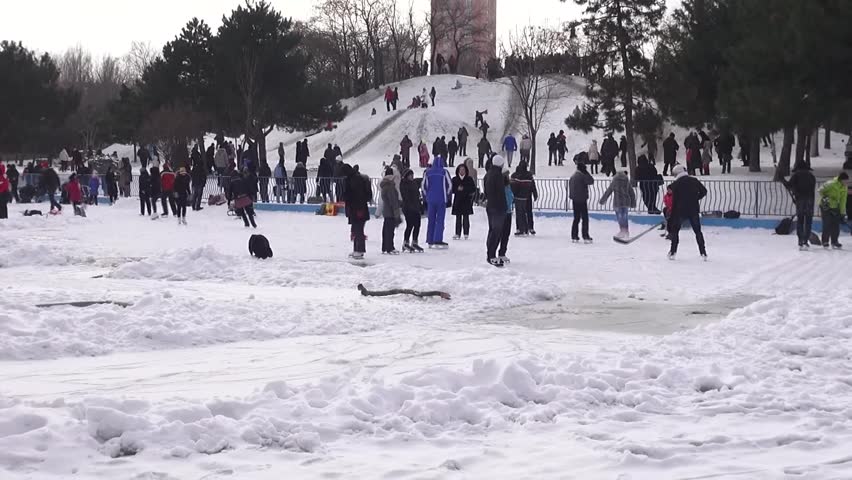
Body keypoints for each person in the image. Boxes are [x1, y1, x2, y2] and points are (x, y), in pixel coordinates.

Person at [667, 165, 708, 260]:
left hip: (680, 211)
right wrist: (696, 198)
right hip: (693, 209)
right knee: (698, 231)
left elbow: (674, 200)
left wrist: (672, 214)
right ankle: (703, 252)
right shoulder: (694, 180)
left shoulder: (676, 184)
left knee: (675, 231)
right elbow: (704, 191)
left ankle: (673, 252)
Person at [783, 160, 817, 249]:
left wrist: (783, 180)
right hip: (810, 200)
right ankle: (805, 239)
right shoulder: (811, 176)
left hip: (800, 200)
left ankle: (800, 239)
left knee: (800, 220)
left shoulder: (796, 175)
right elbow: (812, 189)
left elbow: (789, 185)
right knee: (808, 221)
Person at [342, 163, 372, 258]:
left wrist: (359, 208)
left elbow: (358, 196)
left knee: (359, 230)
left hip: (358, 209)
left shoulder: (355, 180)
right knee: (356, 229)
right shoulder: (352, 178)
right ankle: (356, 249)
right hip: (355, 208)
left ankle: (360, 250)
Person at [484, 155, 508, 267]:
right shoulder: (497, 176)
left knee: (492, 230)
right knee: (496, 231)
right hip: (498, 207)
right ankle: (491, 255)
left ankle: (490, 253)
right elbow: (500, 192)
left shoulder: (488, 174)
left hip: (491, 206)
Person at [422, 156, 452, 248]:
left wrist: (426, 196)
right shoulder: (444, 172)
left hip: (430, 199)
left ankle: (430, 239)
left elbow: (423, 186)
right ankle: (437, 239)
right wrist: (447, 195)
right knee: (440, 220)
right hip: (441, 199)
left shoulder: (428, 172)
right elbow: (450, 185)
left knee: (431, 219)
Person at [599, 170, 636, 240]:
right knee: (624, 216)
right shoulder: (626, 180)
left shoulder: (615, 181)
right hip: (626, 202)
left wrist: (602, 200)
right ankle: (626, 231)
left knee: (620, 217)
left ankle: (622, 230)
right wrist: (633, 203)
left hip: (617, 202)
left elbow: (609, 191)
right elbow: (631, 192)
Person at [818, 172, 849, 249]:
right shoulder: (831, 184)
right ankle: (825, 241)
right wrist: (825, 197)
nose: (846, 183)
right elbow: (820, 190)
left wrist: (842, 213)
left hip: (835, 207)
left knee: (835, 224)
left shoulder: (844, 188)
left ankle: (835, 241)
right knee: (827, 224)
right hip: (826, 206)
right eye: (845, 181)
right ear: (841, 180)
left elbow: (843, 201)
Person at [511, 161, 538, 236]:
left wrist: (513, 195)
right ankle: (530, 227)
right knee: (528, 212)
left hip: (518, 197)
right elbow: (533, 186)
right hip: (527, 196)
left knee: (519, 213)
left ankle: (520, 228)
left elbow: (512, 186)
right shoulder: (529, 175)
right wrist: (535, 194)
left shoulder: (515, 175)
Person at [569, 162, 594, 243]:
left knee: (576, 218)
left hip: (575, 200)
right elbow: (591, 181)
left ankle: (574, 236)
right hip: (582, 199)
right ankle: (585, 235)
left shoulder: (572, 176)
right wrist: (587, 173)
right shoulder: (582, 176)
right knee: (585, 218)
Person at [400, 169, 424, 253]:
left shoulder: (414, 183)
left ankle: (414, 241)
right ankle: (405, 242)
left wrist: (420, 206)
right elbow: (406, 197)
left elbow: (417, 195)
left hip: (416, 207)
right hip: (408, 208)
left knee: (417, 225)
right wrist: (410, 206)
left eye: (412, 175)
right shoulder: (403, 184)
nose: (411, 177)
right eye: (410, 175)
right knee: (410, 225)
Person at [380, 167, 402, 254]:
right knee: (390, 230)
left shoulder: (384, 185)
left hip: (386, 211)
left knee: (386, 229)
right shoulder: (390, 187)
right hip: (391, 211)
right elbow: (393, 201)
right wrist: (396, 212)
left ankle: (385, 246)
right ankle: (390, 247)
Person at [451, 164, 476, 239]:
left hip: (466, 200)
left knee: (466, 217)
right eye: (460, 169)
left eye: (463, 169)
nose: (462, 171)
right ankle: (457, 233)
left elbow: (473, 189)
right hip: (458, 200)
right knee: (458, 217)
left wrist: (464, 189)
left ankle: (466, 233)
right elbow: (451, 189)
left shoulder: (469, 179)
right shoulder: (454, 179)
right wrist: (457, 189)